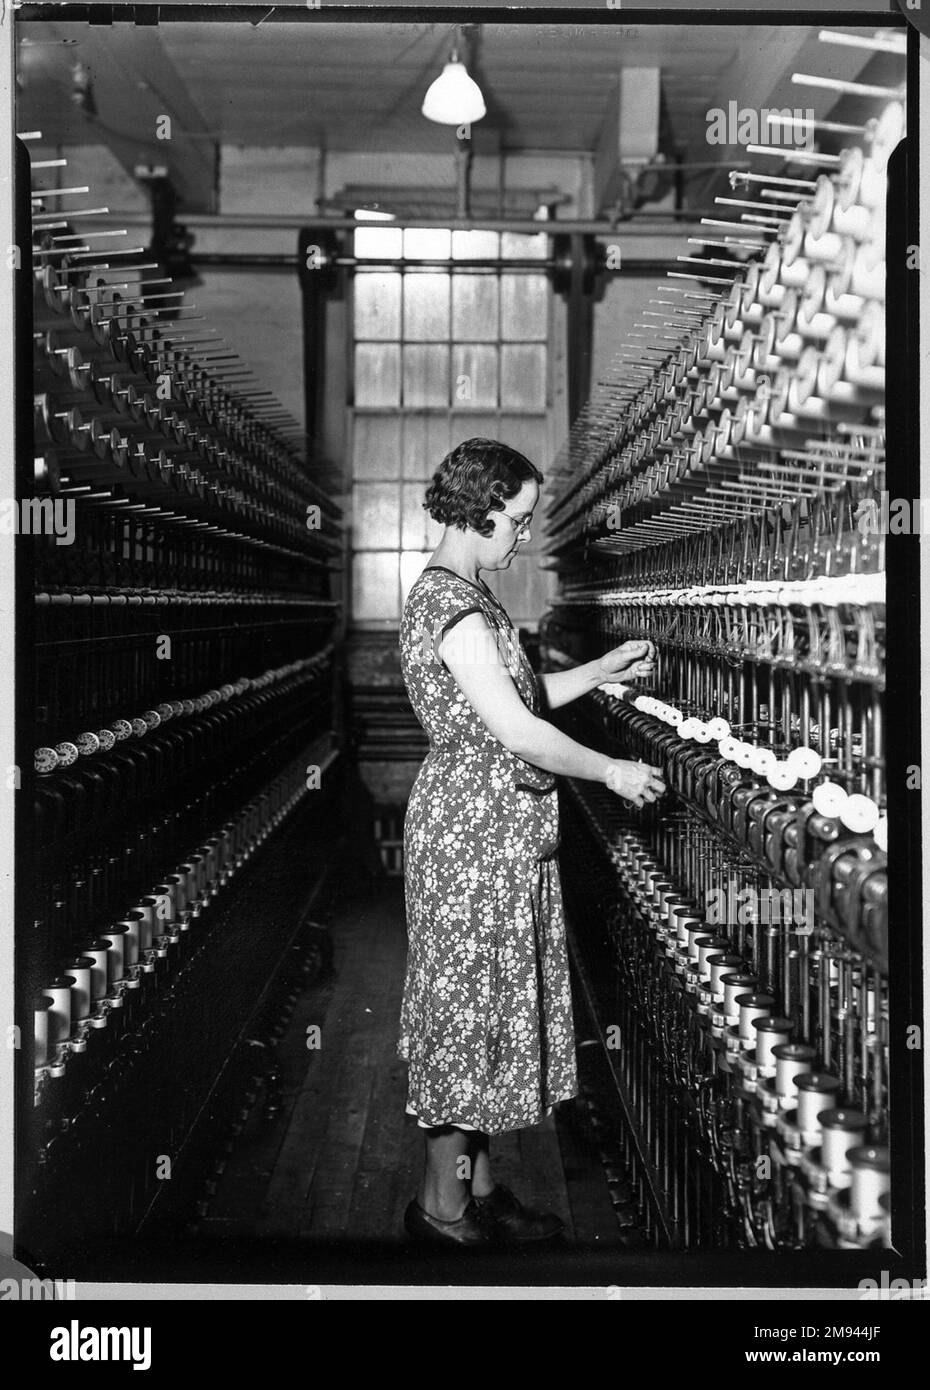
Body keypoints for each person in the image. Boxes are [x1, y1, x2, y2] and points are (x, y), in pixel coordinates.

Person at [397, 438, 665, 1246]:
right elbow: (517, 730)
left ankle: (478, 1189)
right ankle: (442, 1214)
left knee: (487, 1010)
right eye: (515, 521)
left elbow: (524, 692)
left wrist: (604, 668)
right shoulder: (450, 607)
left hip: (494, 836)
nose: (521, 538)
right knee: (464, 1015)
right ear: (478, 514)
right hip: (470, 841)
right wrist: (611, 771)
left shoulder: (469, 598)